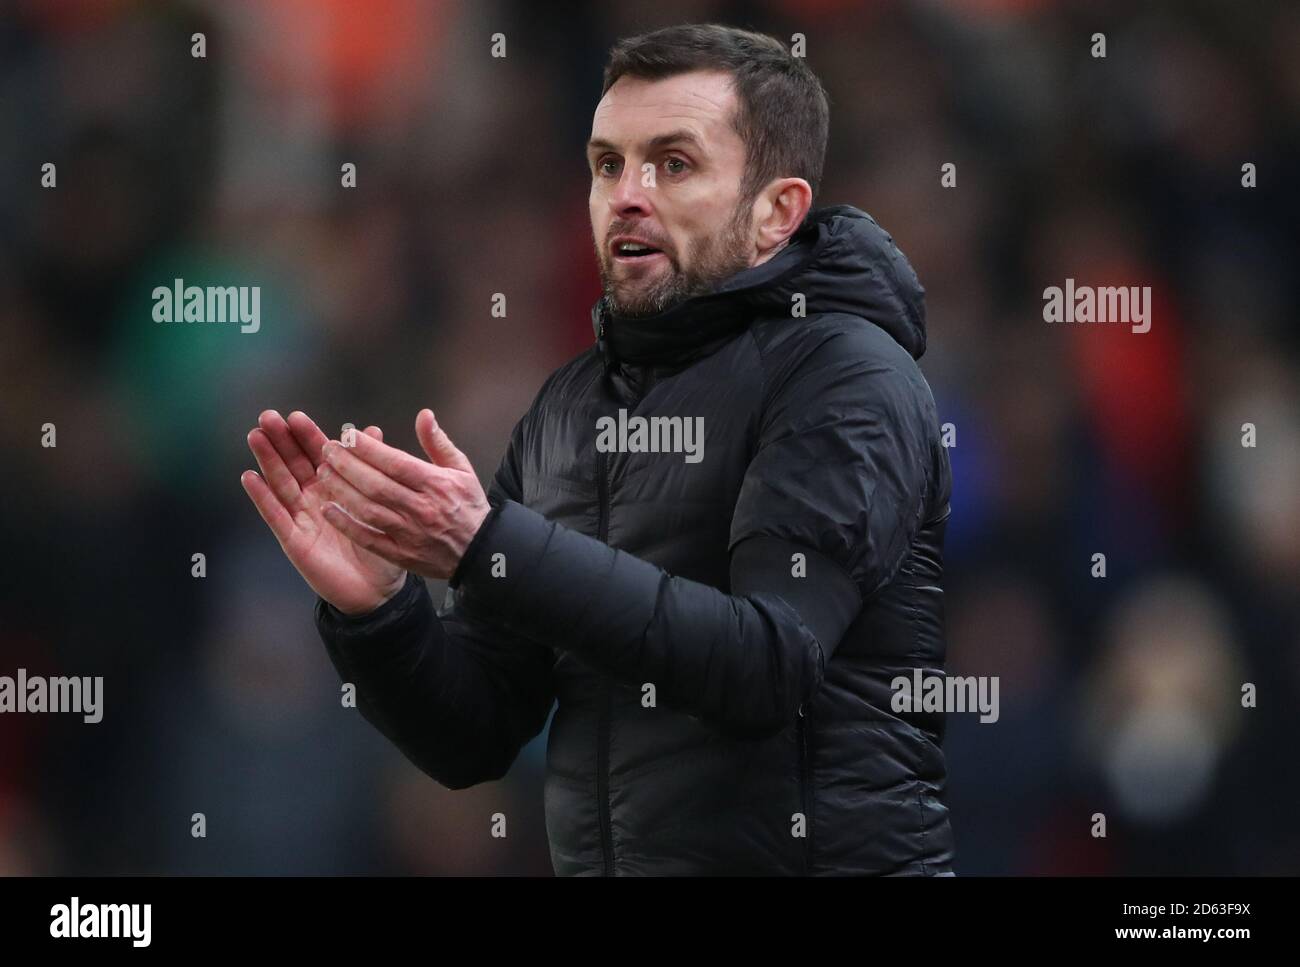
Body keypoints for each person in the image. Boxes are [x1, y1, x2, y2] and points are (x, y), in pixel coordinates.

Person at [241, 23, 954, 876]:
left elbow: (769, 662)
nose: (626, 194)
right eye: (608, 164)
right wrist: (381, 613)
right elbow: (477, 735)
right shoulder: (569, 408)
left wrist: (489, 546)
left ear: (778, 211)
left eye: (674, 164)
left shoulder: (845, 377)